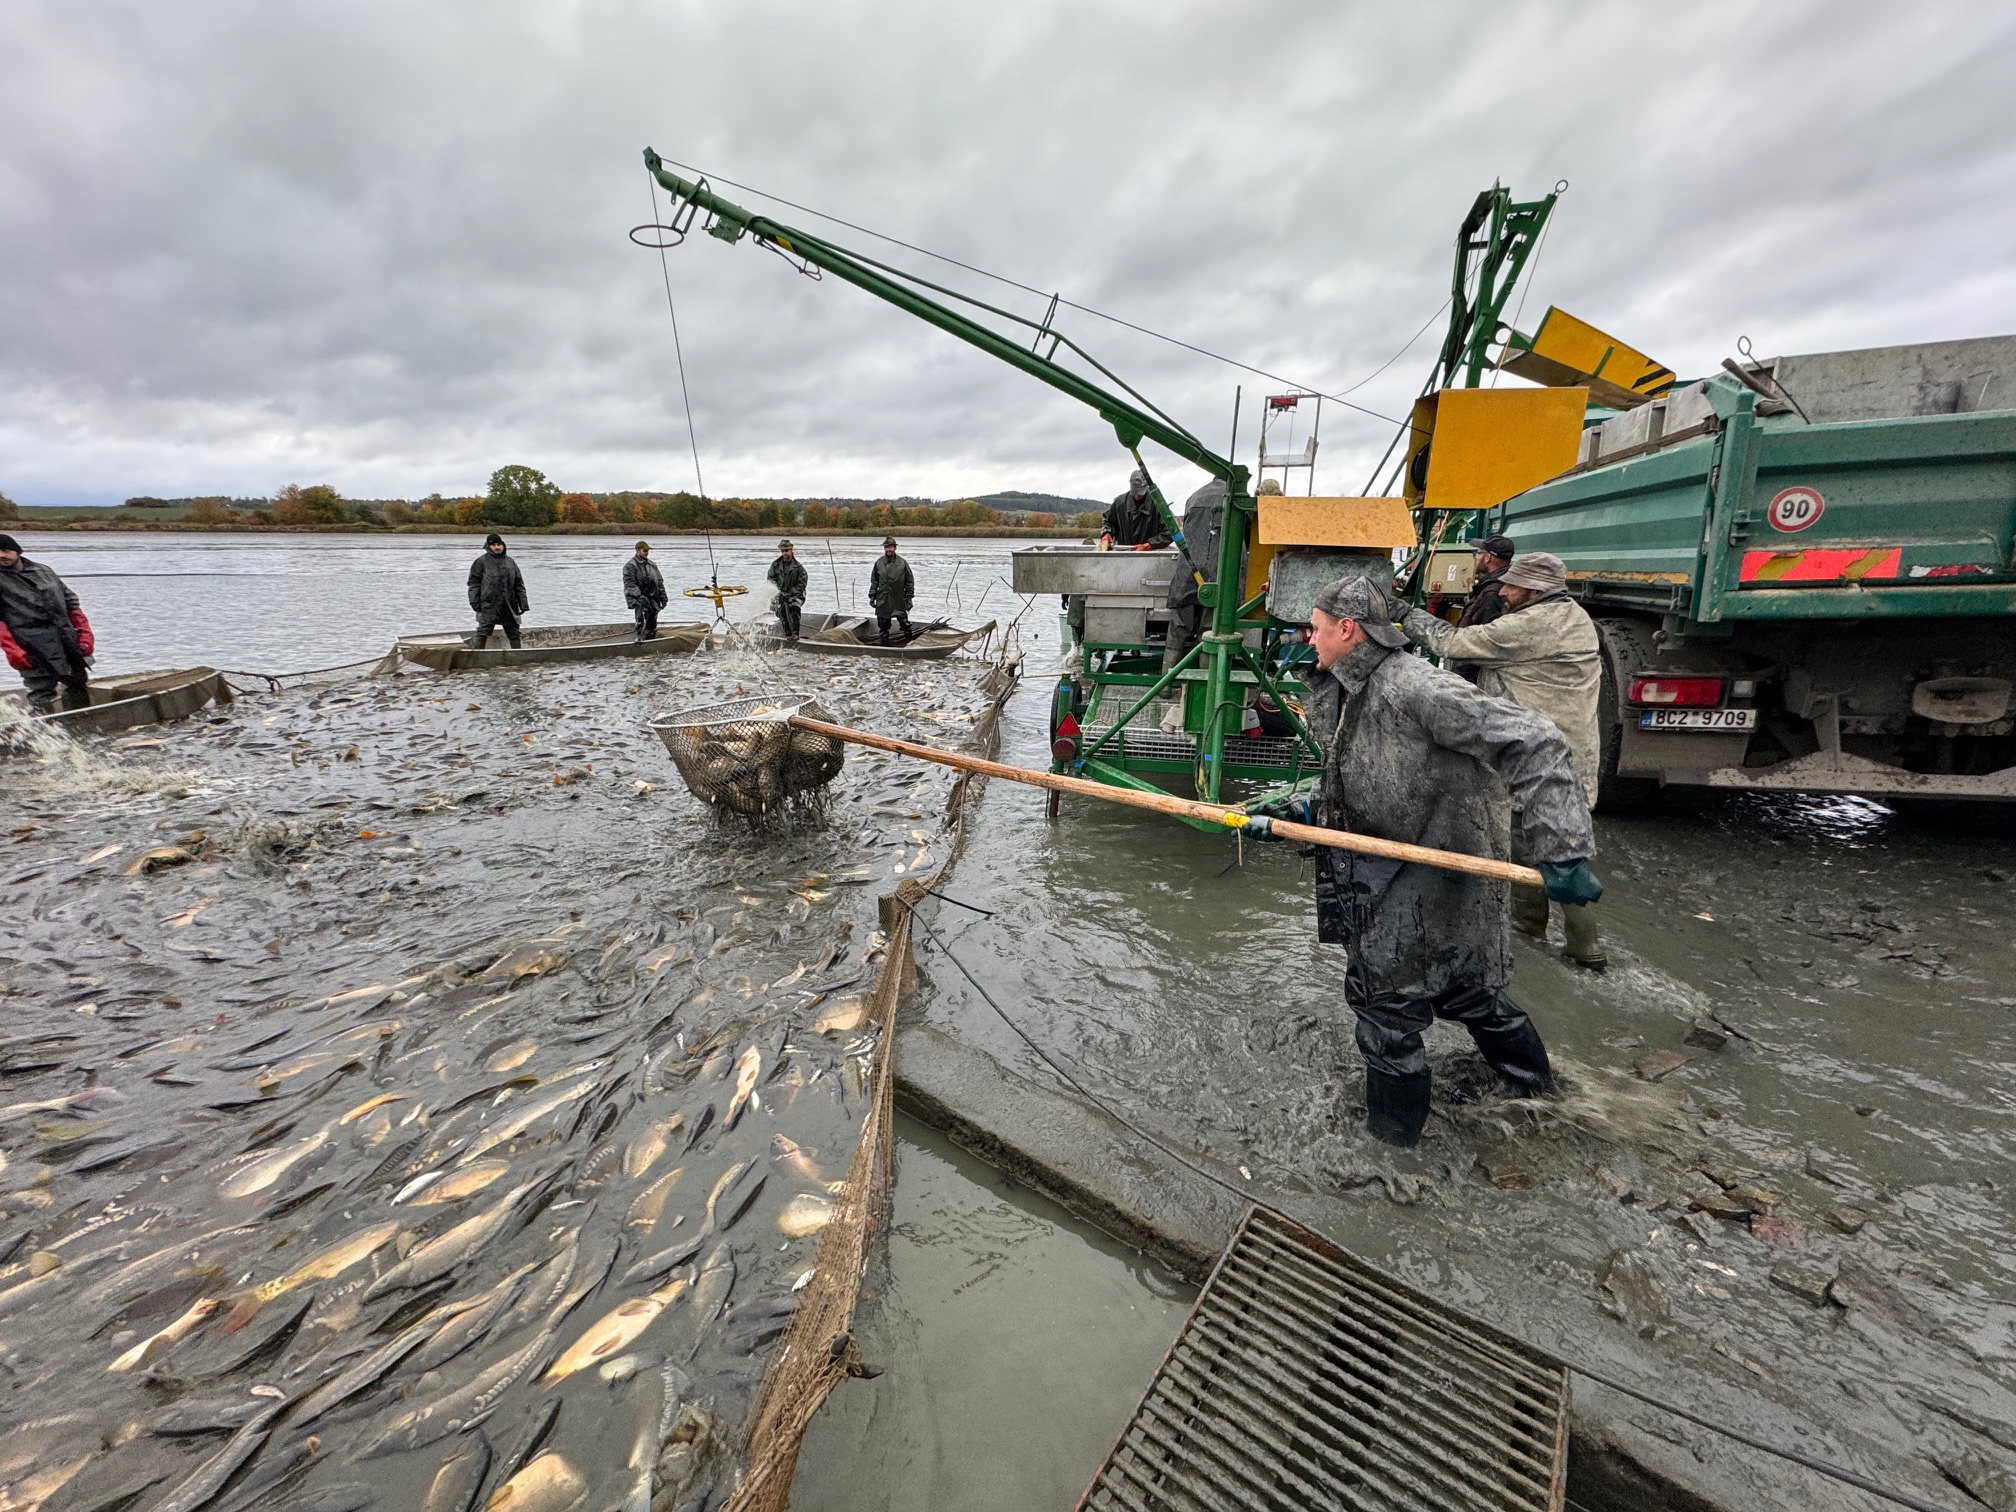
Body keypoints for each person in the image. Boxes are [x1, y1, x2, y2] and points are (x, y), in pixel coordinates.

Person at [1251, 576, 1600, 1148]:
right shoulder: (1348, 689)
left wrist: (1562, 850)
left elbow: (1536, 740)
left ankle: (1391, 1150)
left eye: (1313, 630)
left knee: (1386, 1011)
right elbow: (1363, 779)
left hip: (1422, 879)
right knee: (1468, 991)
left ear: (1348, 629)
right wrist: (1297, 813)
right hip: (1400, 868)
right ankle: (1536, 1092)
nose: (1305, 641)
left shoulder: (1417, 688)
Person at [1400, 550, 1606, 969]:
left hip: (1541, 763)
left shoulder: (1533, 625)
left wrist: (1404, 612)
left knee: (1549, 855)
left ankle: (1565, 945)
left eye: (1512, 585)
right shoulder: (1573, 616)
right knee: (1551, 850)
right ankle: (1556, 941)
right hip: (1570, 757)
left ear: (1534, 590)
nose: (1504, 591)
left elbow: (1452, 644)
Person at [0, 534, 93, 714]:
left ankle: (81, 725)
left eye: (5, 551)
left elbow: (71, 602)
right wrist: (12, 649)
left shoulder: (44, 571)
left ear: (17, 552)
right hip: (30, 644)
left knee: (77, 683)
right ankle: (43, 737)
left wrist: (84, 632)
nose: (1, 555)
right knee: (41, 691)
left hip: (65, 638)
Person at [467, 532, 528, 649]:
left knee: (514, 634)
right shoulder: (481, 562)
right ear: (488, 547)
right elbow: (473, 584)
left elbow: (519, 585)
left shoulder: (510, 562)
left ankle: (518, 657)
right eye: (493, 545)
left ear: (503, 545)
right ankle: (476, 657)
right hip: (488, 605)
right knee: (482, 632)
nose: (497, 547)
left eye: (499, 544)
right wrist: (474, 602)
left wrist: (523, 603)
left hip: (509, 605)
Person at [1101, 469, 1173, 550]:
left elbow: (1170, 531)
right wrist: (1107, 534)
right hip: (1123, 553)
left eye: (1140, 494)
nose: (1137, 496)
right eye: (1135, 493)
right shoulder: (1119, 502)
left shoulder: (1158, 504)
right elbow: (1109, 522)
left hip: (1150, 555)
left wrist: (1149, 545)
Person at [1460, 535, 1517, 629]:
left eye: (1477, 553)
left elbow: (1479, 633)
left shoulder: (1492, 593)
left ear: (1487, 558)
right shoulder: (1509, 583)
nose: (1475, 557)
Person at [868, 536, 914, 645]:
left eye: (890, 547)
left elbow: (910, 581)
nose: (888, 549)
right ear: (884, 549)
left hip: (898, 599)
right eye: (886, 547)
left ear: (895, 548)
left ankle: (910, 645)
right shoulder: (878, 563)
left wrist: (909, 598)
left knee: (905, 625)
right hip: (882, 599)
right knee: (883, 627)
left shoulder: (902, 563)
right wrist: (872, 596)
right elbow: (874, 581)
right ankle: (884, 648)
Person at [623, 540, 668, 642]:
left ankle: (650, 637)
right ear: (637, 550)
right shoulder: (630, 565)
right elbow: (629, 584)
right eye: (644, 550)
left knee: (652, 616)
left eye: (648, 550)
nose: (647, 552)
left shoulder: (652, 564)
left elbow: (659, 581)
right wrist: (639, 596)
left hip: (652, 595)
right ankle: (639, 637)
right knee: (640, 614)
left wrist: (663, 596)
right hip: (636, 596)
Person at [767, 539, 809, 641]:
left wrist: (790, 593)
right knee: (781, 608)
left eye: (786, 551)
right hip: (780, 594)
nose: (785, 553)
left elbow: (802, 584)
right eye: (783, 551)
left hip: (797, 595)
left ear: (791, 550)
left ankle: (795, 634)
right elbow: (770, 580)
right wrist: (777, 593)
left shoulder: (799, 567)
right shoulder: (775, 565)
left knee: (794, 606)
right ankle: (788, 634)